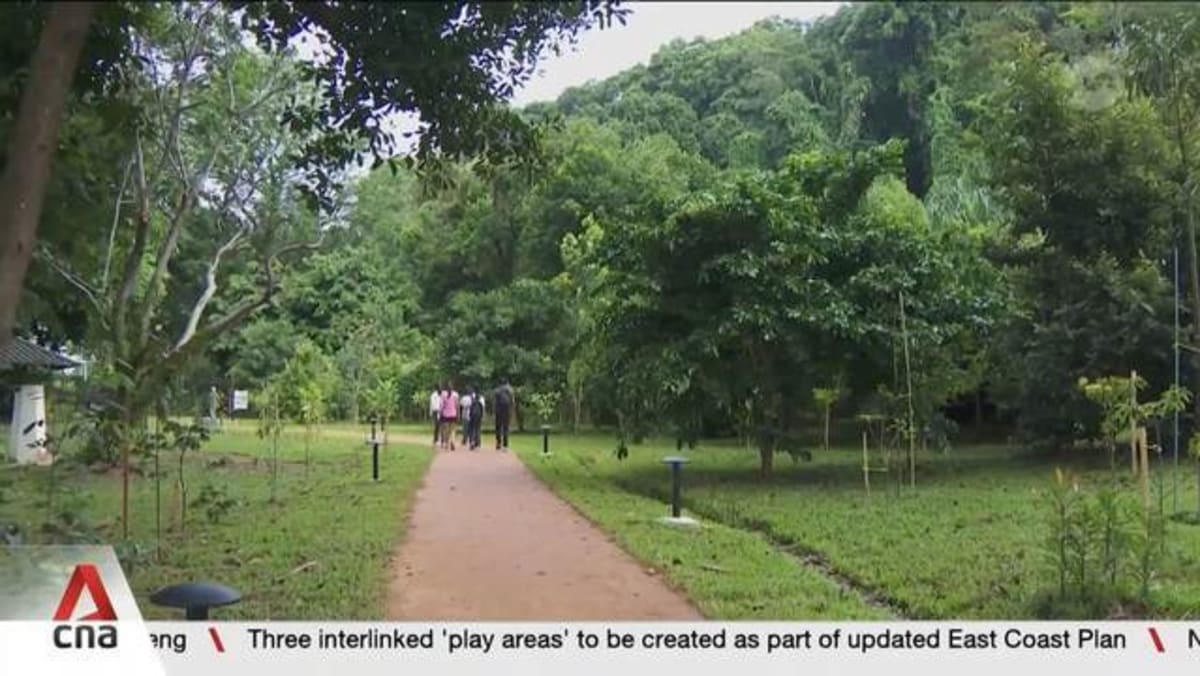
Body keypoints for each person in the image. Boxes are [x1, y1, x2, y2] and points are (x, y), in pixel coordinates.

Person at [493, 378, 515, 451]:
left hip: (498, 411)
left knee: (498, 427)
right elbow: (512, 402)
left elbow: (495, 402)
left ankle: (498, 443)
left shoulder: (497, 390)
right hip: (507, 411)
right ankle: (505, 445)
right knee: (506, 428)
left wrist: (494, 411)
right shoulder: (510, 390)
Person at [439, 384, 460, 450]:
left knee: (446, 431)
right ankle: (452, 442)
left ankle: (447, 443)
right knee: (453, 430)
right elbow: (457, 406)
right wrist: (458, 414)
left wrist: (440, 413)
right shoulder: (455, 395)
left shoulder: (443, 395)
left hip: (446, 415)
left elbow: (441, 406)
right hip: (453, 415)